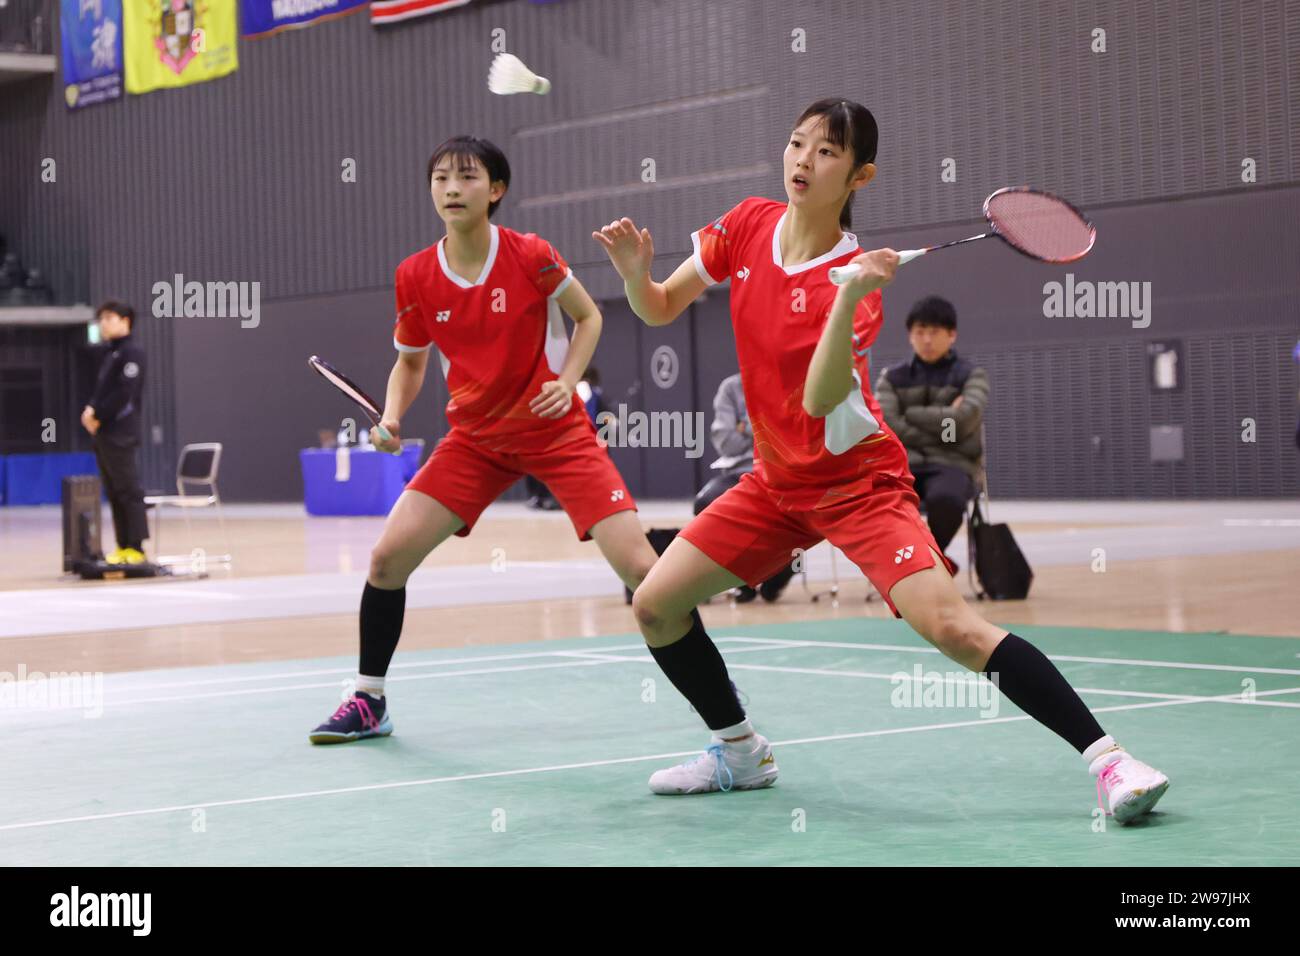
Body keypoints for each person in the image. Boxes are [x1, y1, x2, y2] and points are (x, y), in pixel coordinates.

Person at [592, 98, 1169, 823]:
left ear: (859, 175)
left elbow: (820, 395)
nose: (803, 160)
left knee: (953, 628)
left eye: (826, 151)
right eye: (797, 143)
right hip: (776, 483)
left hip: (858, 484)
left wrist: (848, 296)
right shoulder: (746, 225)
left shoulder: (857, 284)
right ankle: (740, 751)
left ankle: (1111, 762)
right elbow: (657, 308)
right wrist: (634, 276)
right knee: (655, 602)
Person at [310, 136, 659, 744]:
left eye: (467, 177)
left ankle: (716, 691)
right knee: (387, 559)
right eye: (440, 178)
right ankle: (368, 700)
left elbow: (589, 316)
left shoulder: (530, 254)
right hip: (475, 438)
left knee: (643, 570)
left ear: (495, 190)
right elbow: (410, 363)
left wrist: (567, 383)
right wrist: (392, 417)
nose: (452, 188)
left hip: (555, 430)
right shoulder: (416, 275)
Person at [875, 295, 988, 569]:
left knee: (946, 500)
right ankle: (923, 564)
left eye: (935, 332)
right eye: (920, 331)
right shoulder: (892, 377)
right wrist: (944, 419)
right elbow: (888, 425)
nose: (926, 339)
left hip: (952, 464)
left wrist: (911, 415)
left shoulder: (972, 375)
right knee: (880, 501)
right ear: (910, 335)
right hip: (903, 465)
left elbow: (962, 422)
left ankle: (927, 561)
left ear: (952, 335)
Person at [695, 373, 795, 602]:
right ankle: (740, 576)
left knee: (791, 509)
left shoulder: (787, 382)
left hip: (780, 470)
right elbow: (726, 443)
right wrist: (763, 424)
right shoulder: (731, 388)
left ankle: (781, 569)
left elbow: (790, 432)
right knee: (705, 502)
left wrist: (745, 426)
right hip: (739, 471)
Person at [82, 301, 149, 565]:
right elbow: (102, 392)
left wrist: (97, 415)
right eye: (101, 319)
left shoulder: (133, 353)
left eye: (109, 318)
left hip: (121, 432)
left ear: (125, 321)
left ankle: (136, 547)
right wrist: (90, 410)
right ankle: (123, 545)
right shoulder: (111, 353)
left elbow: (124, 393)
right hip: (104, 433)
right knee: (113, 490)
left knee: (129, 490)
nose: (103, 324)